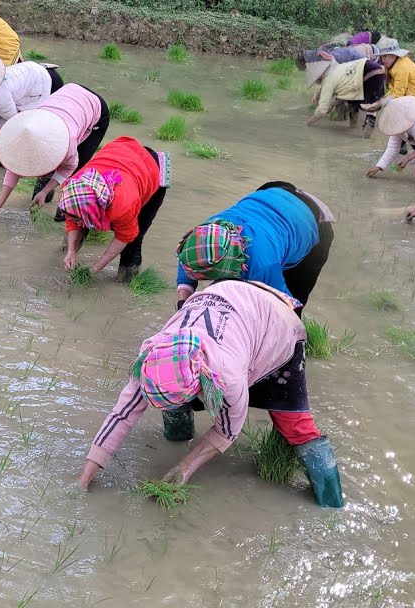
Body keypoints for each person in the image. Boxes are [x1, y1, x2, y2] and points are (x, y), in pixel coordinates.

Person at [76, 279, 344, 508]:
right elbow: (122, 415)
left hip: (277, 323)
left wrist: (186, 467)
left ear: (204, 381)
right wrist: (85, 477)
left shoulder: (227, 377)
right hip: (224, 296)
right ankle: (178, 436)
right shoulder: (153, 356)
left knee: (293, 424)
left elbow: (227, 430)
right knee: (174, 402)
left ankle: (332, 503)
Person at [175, 182, 335, 313]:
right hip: (273, 193)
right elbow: (189, 263)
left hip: (315, 223)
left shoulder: (262, 266)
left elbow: (287, 306)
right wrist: (182, 305)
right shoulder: (208, 231)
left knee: (291, 299)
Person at [0, 83, 111, 218]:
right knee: (43, 190)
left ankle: (68, 209)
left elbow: (69, 167)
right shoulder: (23, 132)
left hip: (94, 106)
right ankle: (45, 191)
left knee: (77, 170)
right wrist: (0, 200)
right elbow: (15, 166)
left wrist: (45, 191)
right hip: (67, 95)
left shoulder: (67, 143)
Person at [58, 136, 169, 282]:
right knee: (78, 226)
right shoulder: (72, 189)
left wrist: (94, 269)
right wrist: (71, 251)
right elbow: (72, 219)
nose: (69, 218)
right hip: (118, 153)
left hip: (151, 167)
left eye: (75, 216)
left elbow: (124, 236)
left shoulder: (123, 205)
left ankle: (126, 282)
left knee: (133, 241)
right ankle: (69, 254)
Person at [303, 58, 386, 136]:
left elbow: (322, 109)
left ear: (319, 76)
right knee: (357, 101)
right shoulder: (337, 68)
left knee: (367, 107)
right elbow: (346, 95)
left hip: (368, 74)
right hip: (375, 69)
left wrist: (309, 122)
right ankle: (356, 126)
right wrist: (332, 104)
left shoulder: (328, 81)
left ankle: (366, 131)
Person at [365, 46, 415, 110]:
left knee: (413, 114)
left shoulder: (401, 68)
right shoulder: (390, 65)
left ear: (393, 55)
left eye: (385, 56)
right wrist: (380, 102)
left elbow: (398, 94)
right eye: (381, 57)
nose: (382, 60)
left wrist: (380, 104)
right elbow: (393, 88)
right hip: (411, 89)